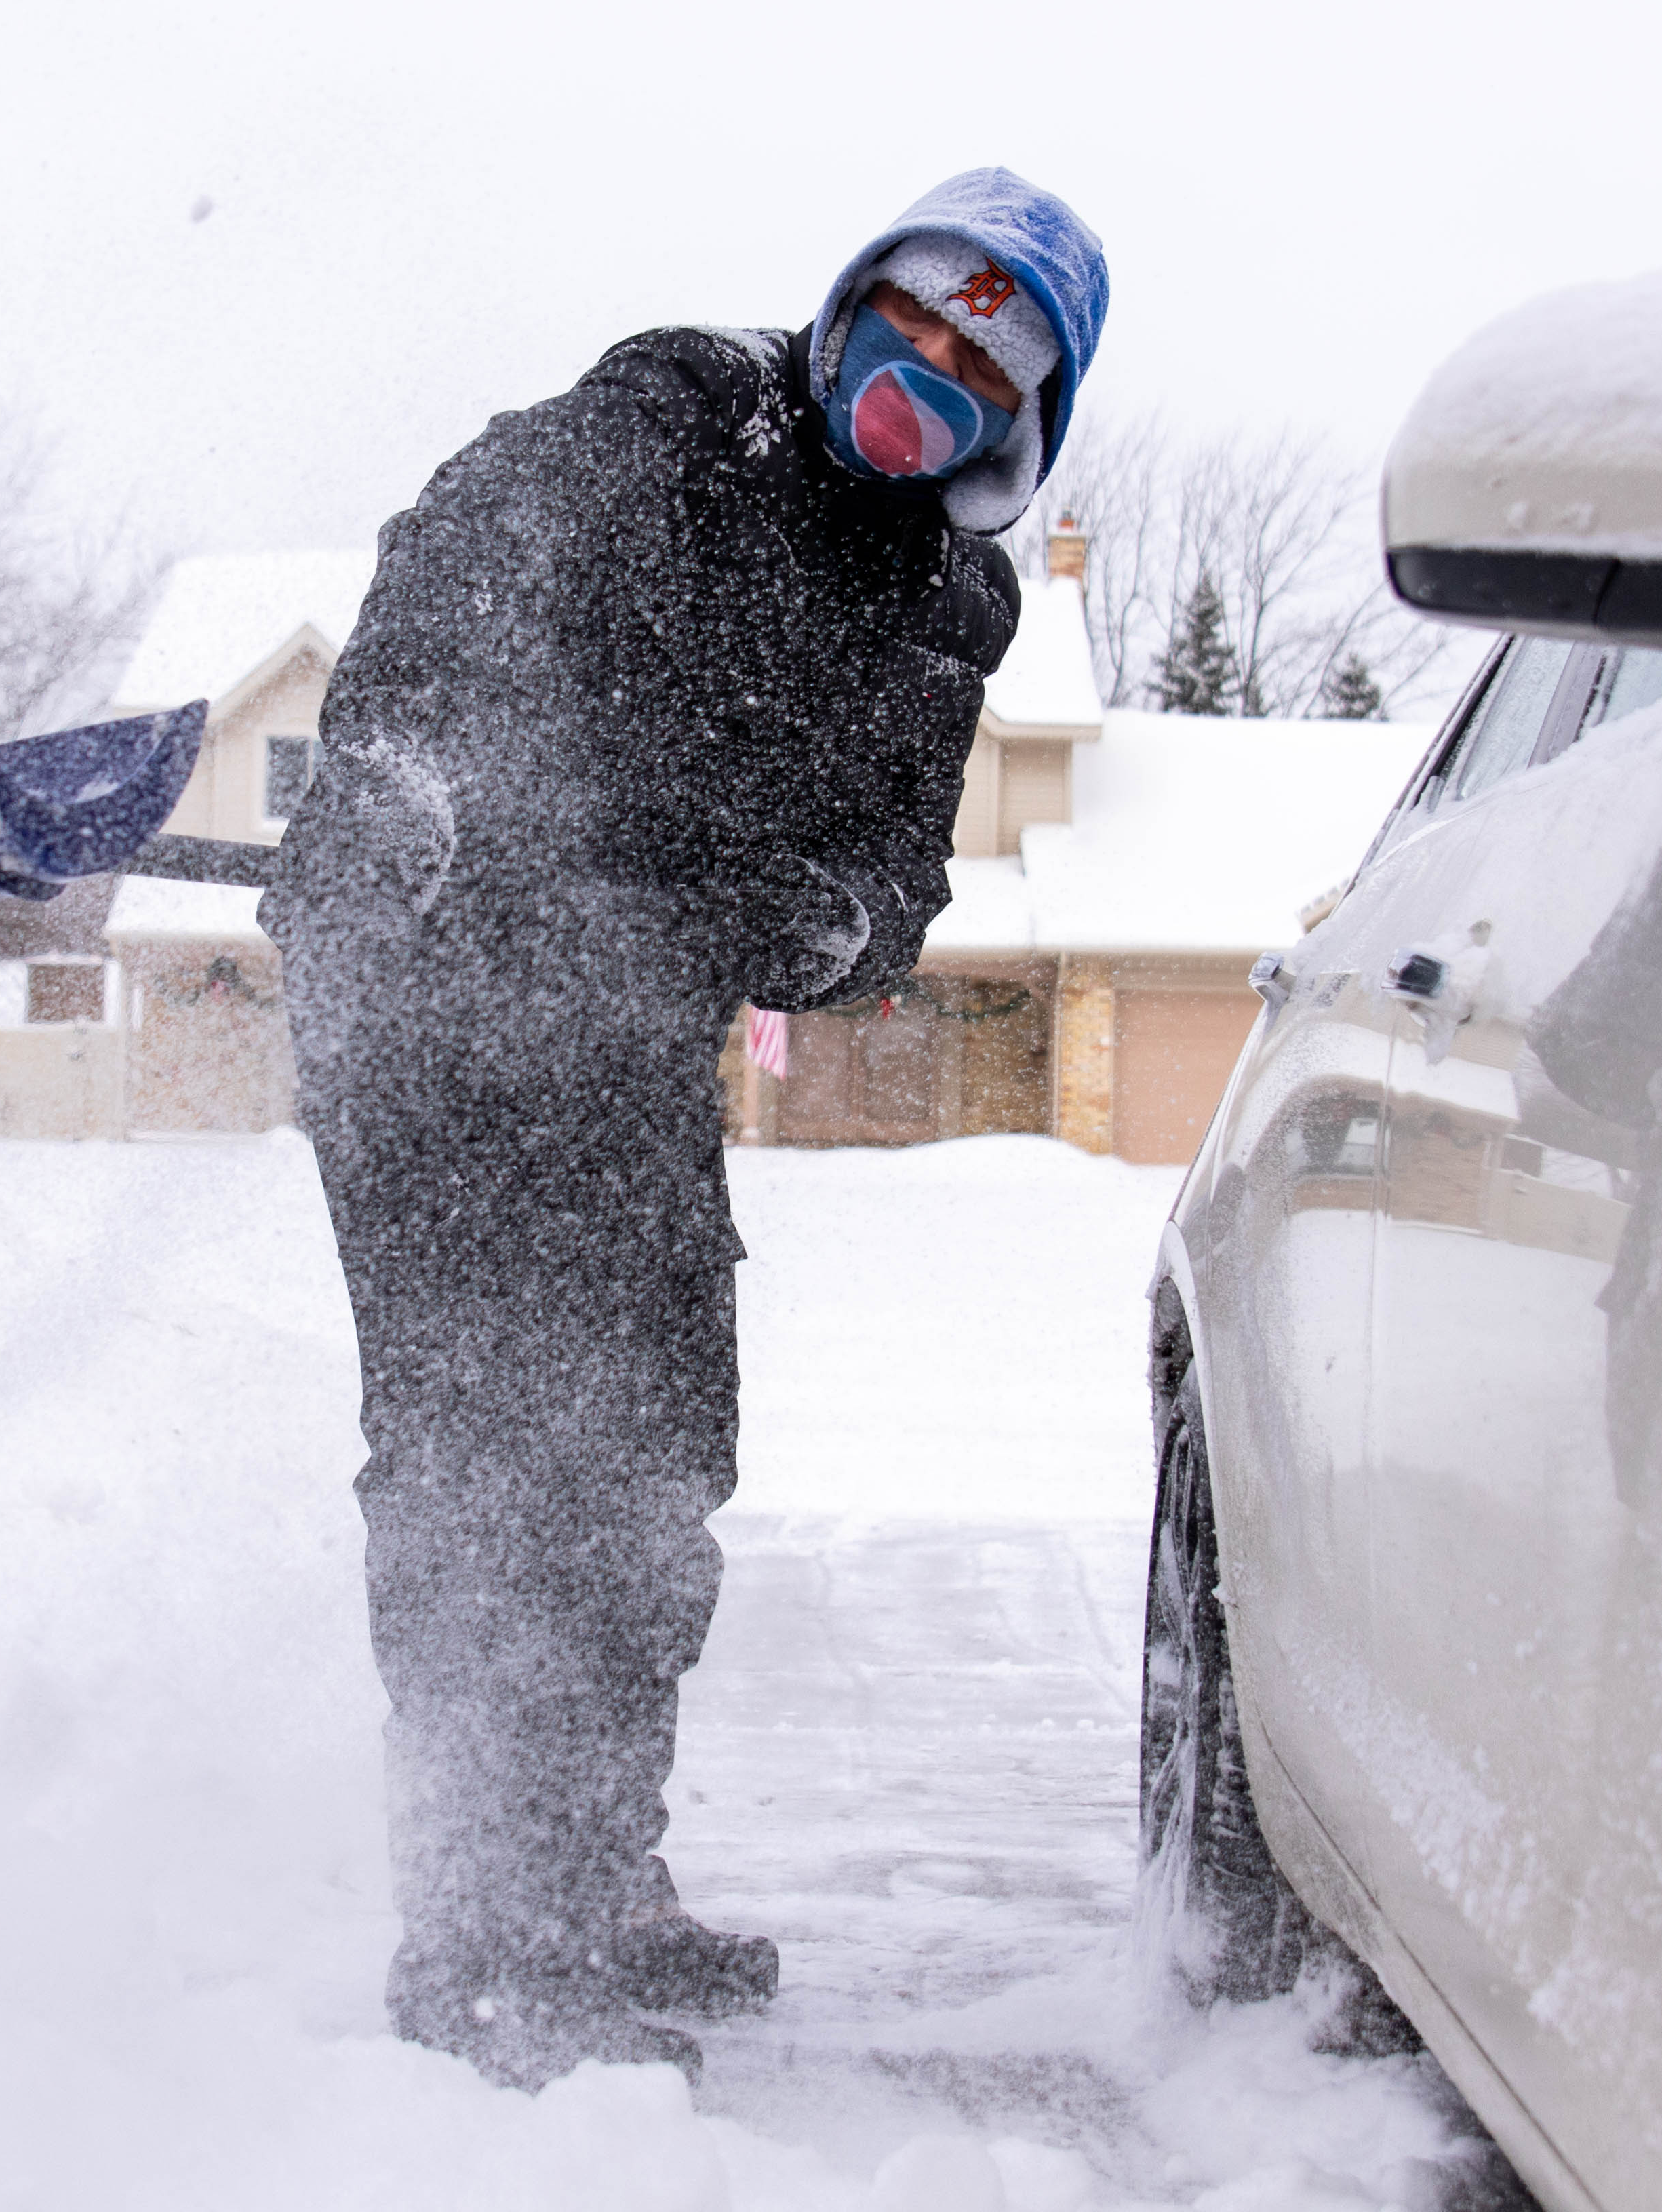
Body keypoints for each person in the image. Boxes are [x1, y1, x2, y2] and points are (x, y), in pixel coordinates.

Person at [261, 170, 1107, 2088]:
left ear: (1018, 419)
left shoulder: (948, 604)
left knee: (652, 1448)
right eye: (911, 315)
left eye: (980, 357)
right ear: (851, 298)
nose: (925, 367)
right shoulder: (678, 414)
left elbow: (898, 871)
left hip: (625, 1020)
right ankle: (487, 1933)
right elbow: (451, 564)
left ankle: (597, 1882)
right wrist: (411, 773)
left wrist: (829, 928)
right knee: (493, 1441)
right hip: (428, 966)